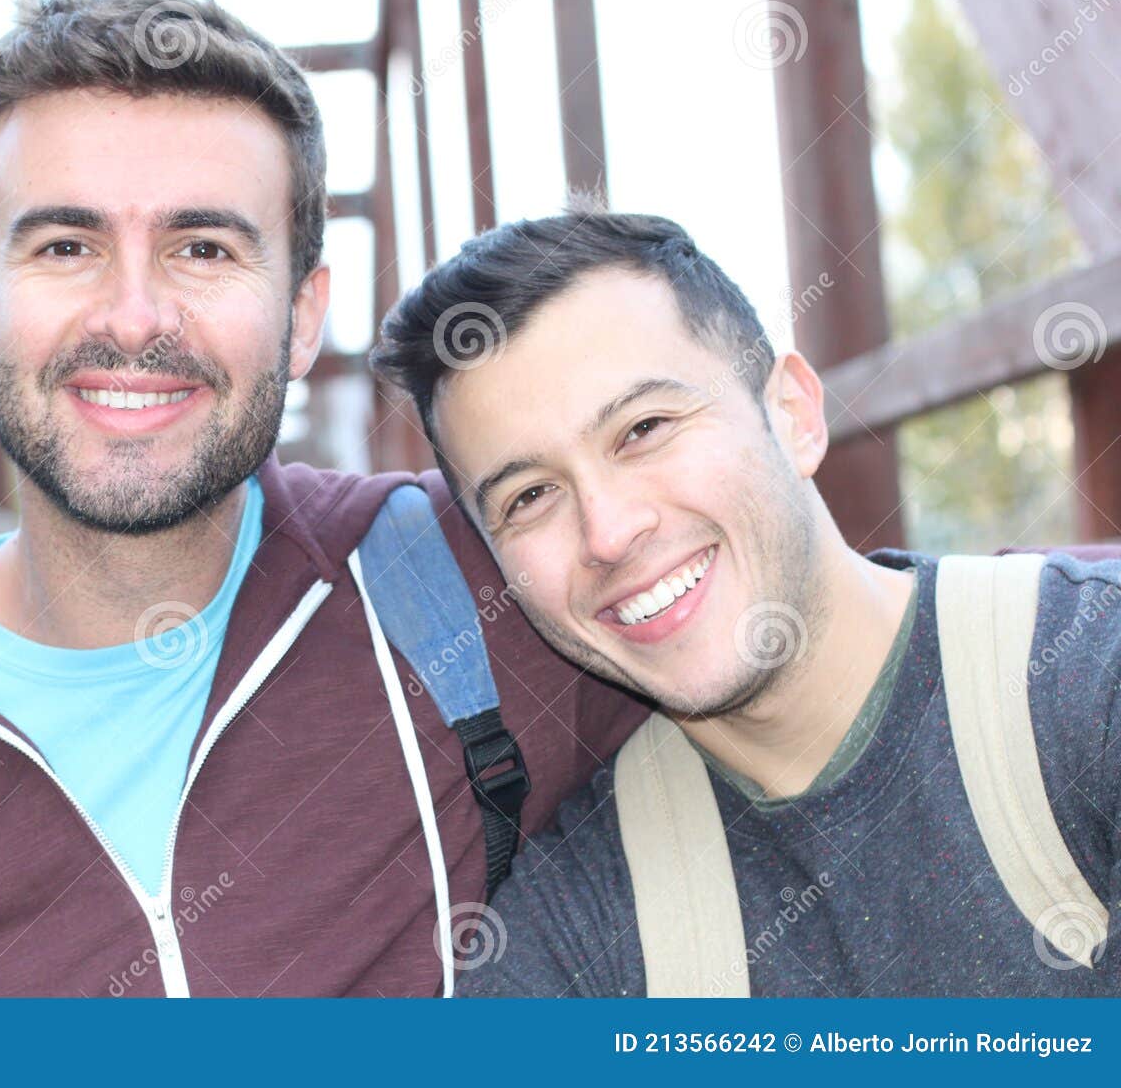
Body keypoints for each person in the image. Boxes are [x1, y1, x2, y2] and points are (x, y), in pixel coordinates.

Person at [0, 0, 647, 999]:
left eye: (203, 248)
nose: (134, 318)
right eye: (66, 247)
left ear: (305, 314)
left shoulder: (476, 590)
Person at [370, 205, 1120, 996]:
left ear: (793, 413)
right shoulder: (575, 933)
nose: (610, 533)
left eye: (644, 428)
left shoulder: (1087, 686)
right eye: (529, 496)